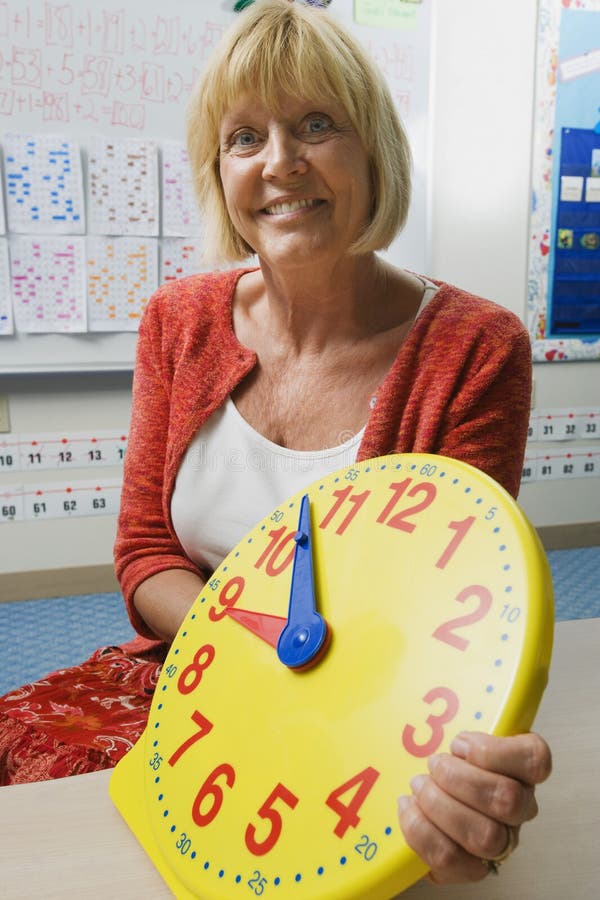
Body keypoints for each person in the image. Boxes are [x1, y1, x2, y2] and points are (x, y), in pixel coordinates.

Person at [0, 0, 551, 887]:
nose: (280, 163)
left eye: (317, 125)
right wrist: (248, 645)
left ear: (374, 150)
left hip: (369, 706)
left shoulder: (476, 348)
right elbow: (145, 550)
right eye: (245, 137)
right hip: (190, 677)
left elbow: (447, 609)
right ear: (220, 171)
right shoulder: (177, 321)